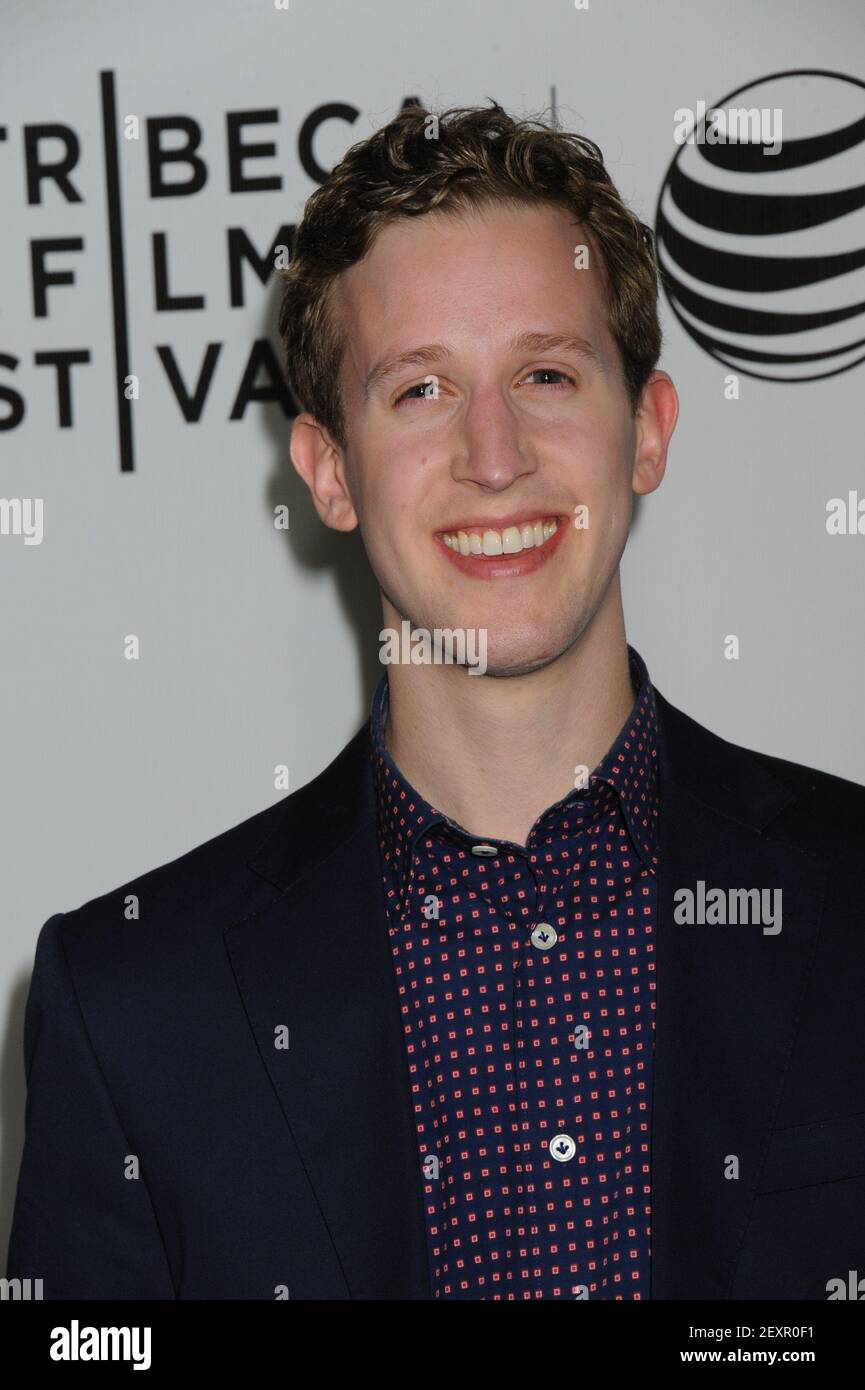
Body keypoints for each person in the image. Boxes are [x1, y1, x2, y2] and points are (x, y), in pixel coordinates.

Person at [7, 101, 865, 1301]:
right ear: (328, 473)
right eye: (420, 391)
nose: (496, 453)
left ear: (647, 432)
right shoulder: (136, 1003)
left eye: (548, 373)